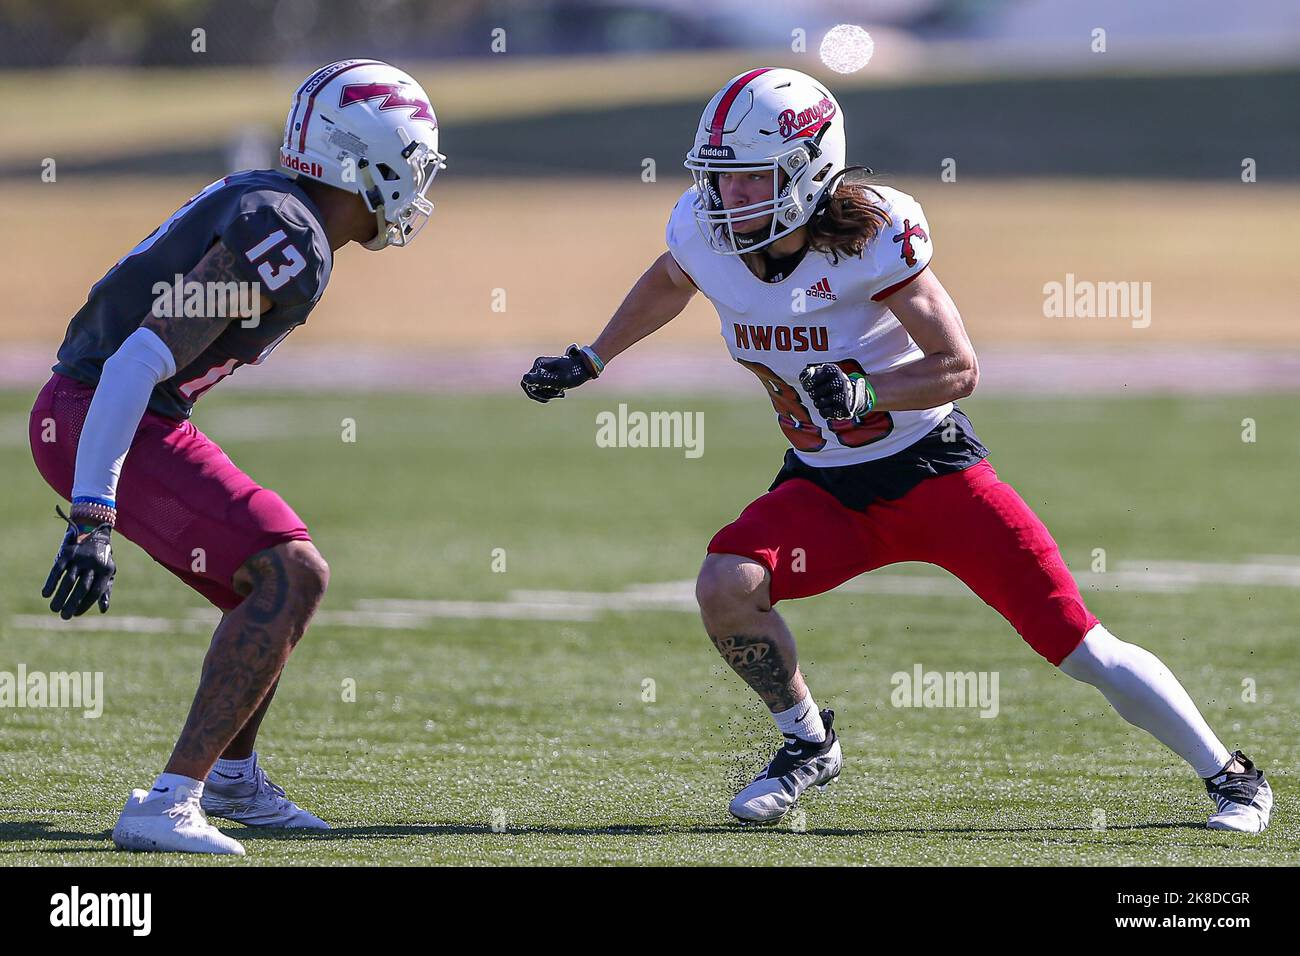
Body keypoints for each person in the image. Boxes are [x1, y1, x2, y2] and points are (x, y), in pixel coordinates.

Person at [521, 67, 1272, 833]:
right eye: (720, 179)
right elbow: (671, 279)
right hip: (825, 486)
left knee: (1079, 645)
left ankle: (1235, 779)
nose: (728, 199)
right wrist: (594, 356)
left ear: (807, 167)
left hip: (932, 475)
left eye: (750, 180)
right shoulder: (704, 234)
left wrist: (866, 389)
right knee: (725, 586)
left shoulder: (873, 238)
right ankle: (807, 744)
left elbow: (958, 369)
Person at [30, 59, 446, 854]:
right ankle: (170, 801)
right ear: (371, 157)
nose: (419, 185)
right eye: (415, 162)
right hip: (102, 413)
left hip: (121, 412)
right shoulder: (284, 236)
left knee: (266, 576)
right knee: (293, 572)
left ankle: (229, 778)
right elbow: (134, 363)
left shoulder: (283, 213)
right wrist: (93, 514)